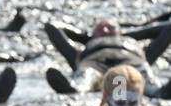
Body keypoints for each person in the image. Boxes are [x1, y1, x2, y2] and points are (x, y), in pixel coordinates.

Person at [43, 18, 171, 97]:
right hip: (95, 65)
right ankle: (74, 89)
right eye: (100, 28)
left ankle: (159, 93)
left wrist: (128, 35)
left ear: (119, 31)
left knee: (143, 75)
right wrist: (85, 37)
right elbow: (52, 26)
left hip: (132, 64)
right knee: (86, 76)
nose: (105, 30)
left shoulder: (137, 48)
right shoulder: (80, 53)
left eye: (111, 28)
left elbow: (168, 28)